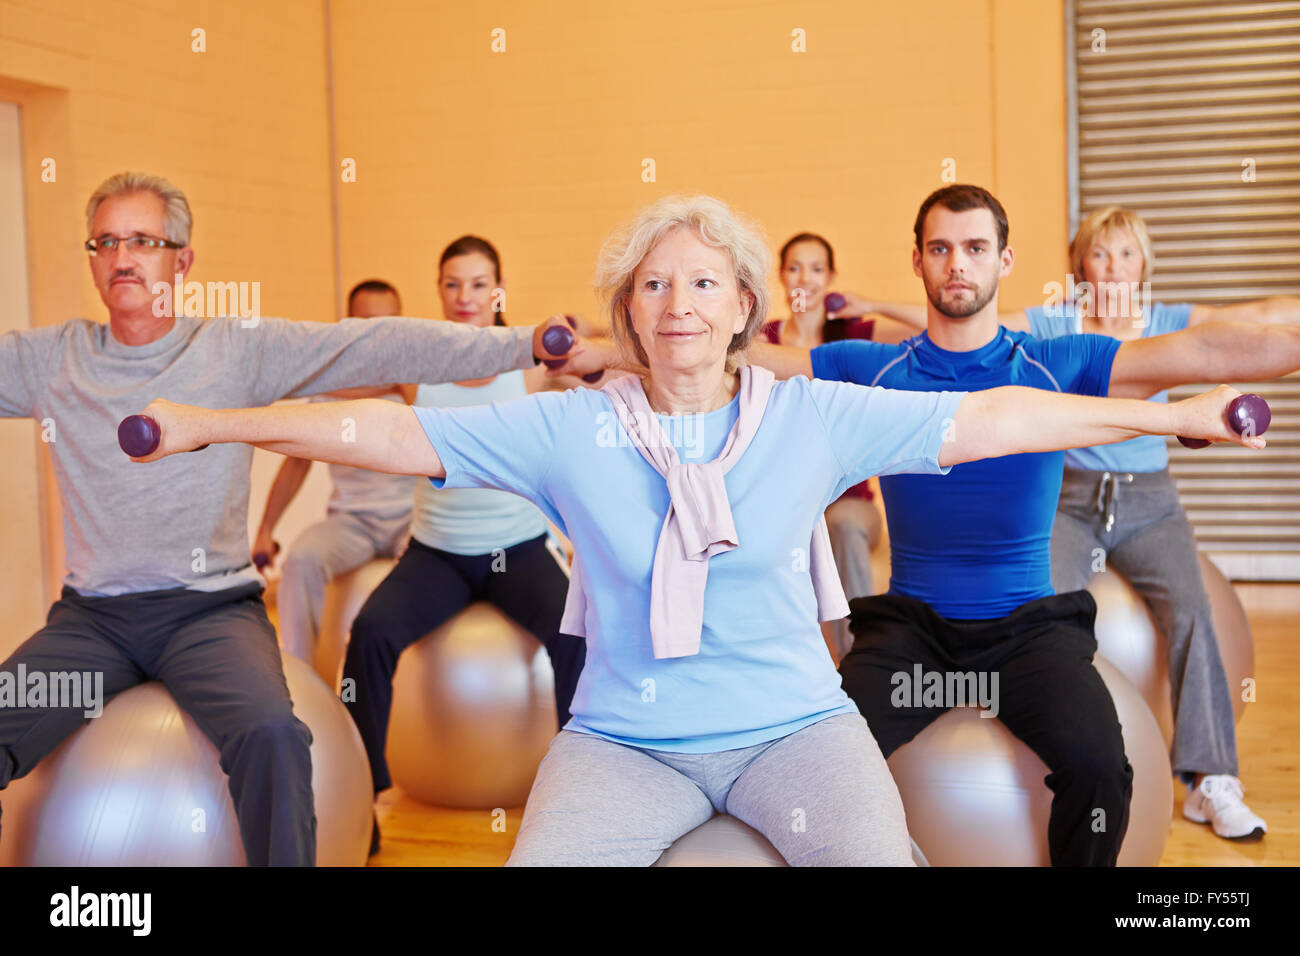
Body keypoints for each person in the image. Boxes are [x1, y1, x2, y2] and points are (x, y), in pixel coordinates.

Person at [126, 194, 1258, 867]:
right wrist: (207, 421)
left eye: (703, 281)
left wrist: (1166, 413)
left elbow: (997, 412)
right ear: (629, 308)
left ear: (739, 305)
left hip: (795, 728)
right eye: (655, 283)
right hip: (623, 738)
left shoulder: (811, 413)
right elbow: (375, 436)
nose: (677, 302)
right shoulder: (571, 428)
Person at [0, 171, 591, 866]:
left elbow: (381, 346)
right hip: (93, 619)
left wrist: (524, 345)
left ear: (181, 260)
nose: (123, 257)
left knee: (274, 735)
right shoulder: (52, 361)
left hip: (209, 614)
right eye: (105, 241)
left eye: (143, 240)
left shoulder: (236, 349)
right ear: (93, 259)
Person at [748, 183, 1300, 865]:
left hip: (1027, 632)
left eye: (975, 248)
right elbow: (749, 364)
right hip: (909, 633)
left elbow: (1205, 354)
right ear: (917, 260)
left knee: (1102, 773)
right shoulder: (874, 367)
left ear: (1004, 261)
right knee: (809, 773)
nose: (958, 264)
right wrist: (610, 354)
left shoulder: (1056, 361)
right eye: (941, 248)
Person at [344, 237, 586, 855]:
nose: (465, 297)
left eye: (479, 284)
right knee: (371, 632)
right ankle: (361, 796)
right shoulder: (414, 363)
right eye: (453, 284)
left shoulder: (527, 362)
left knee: (577, 636)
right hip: (437, 553)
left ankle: (579, 796)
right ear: (439, 290)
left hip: (519, 547)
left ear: (498, 291)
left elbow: (600, 370)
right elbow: (337, 386)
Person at [763, 233, 925, 659]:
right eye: (796, 267)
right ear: (781, 275)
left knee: (840, 526)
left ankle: (863, 660)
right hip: (785, 501)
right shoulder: (762, 340)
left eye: (817, 269)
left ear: (831, 277)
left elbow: (938, 323)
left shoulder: (855, 334)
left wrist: (870, 304)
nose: (806, 278)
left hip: (847, 504)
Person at [254, 279, 417, 669]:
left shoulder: (414, 383)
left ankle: (377, 664)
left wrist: (399, 383)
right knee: (301, 560)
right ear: (348, 327)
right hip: (352, 523)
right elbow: (297, 462)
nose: (377, 333)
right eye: (366, 324)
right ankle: (299, 674)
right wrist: (264, 531)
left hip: (411, 521)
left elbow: (439, 431)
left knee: (418, 572)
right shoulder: (327, 390)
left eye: (388, 323)